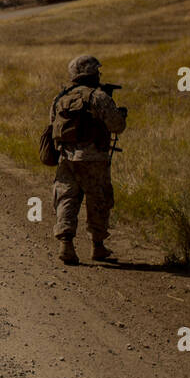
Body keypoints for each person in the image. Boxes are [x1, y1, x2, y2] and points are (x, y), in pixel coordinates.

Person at [50, 54, 127, 265]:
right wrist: (121, 114)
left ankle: (66, 245)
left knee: (66, 198)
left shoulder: (60, 99)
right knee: (98, 200)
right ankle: (98, 246)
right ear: (90, 73)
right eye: (96, 71)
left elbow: (51, 125)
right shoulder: (98, 97)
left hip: (66, 158)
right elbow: (117, 125)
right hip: (93, 159)